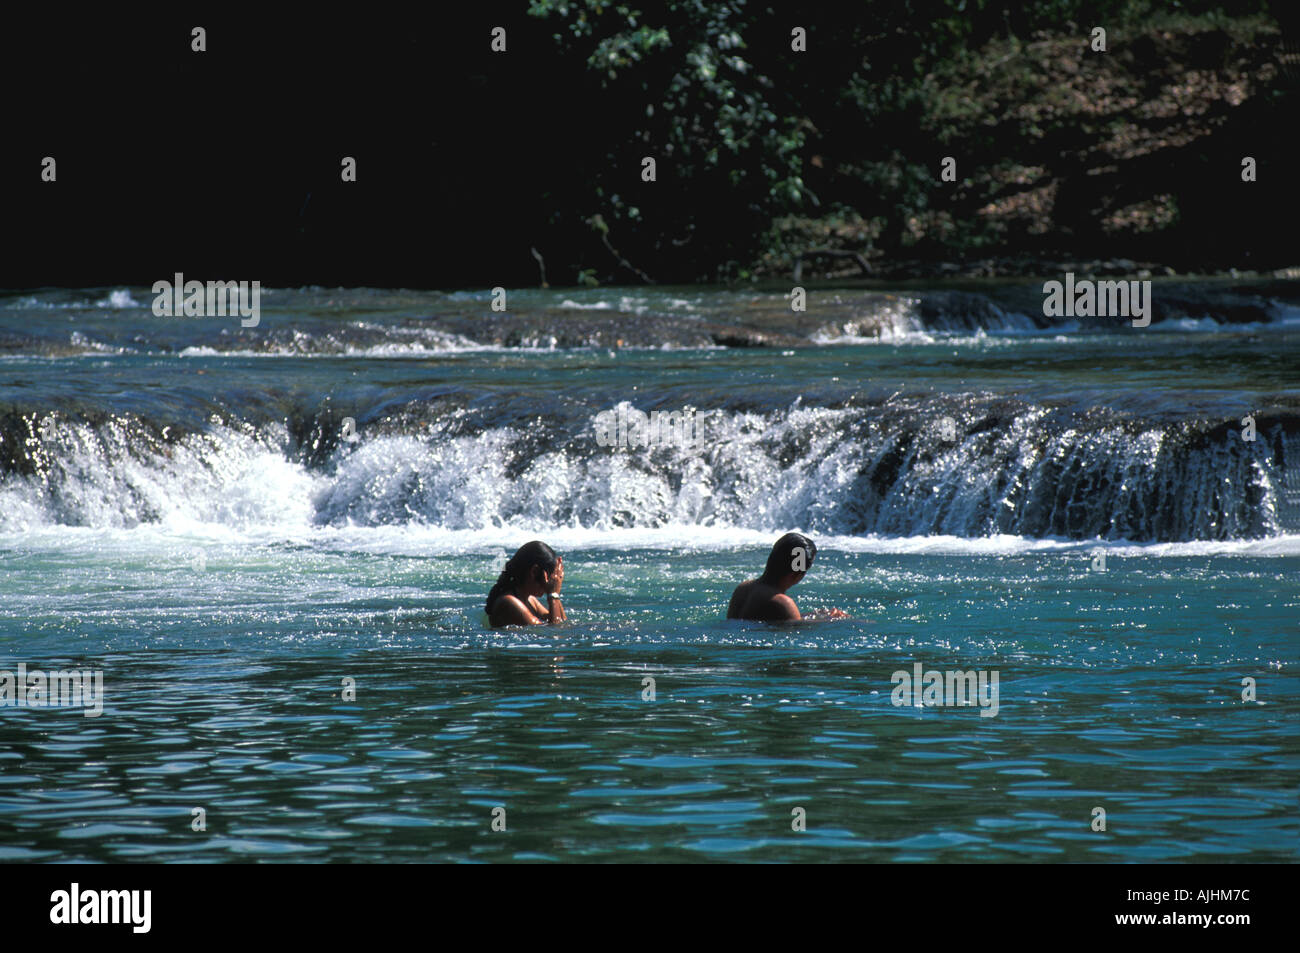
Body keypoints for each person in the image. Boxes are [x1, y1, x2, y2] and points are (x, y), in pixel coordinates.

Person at [726, 532, 847, 622]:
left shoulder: (743, 588)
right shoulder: (783, 603)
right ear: (796, 573)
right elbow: (795, 634)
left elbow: (767, 618)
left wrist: (816, 616)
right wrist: (829, 621)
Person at [486, 541, 568, 627]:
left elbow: (561, 621)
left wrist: (556, 589)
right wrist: (553, 594)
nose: (551, 583)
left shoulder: (530, 599)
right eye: (550, 578)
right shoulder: (509, 602)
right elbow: (555, 632)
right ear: (534, 572)